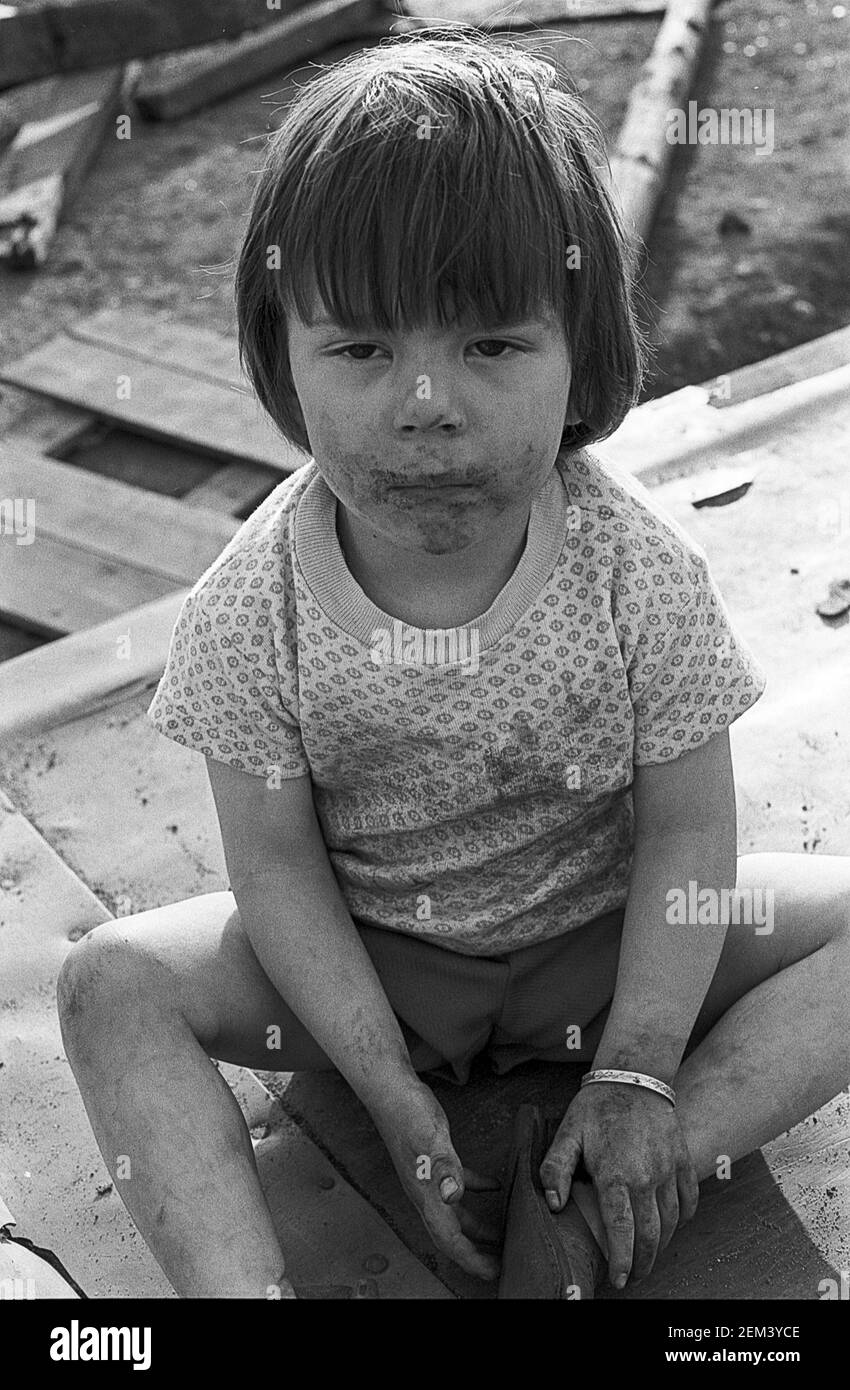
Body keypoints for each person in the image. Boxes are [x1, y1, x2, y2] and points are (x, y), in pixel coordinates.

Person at [57, 27, 850, 1300]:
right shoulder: (249, 609)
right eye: (363, 350)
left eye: (491, 345)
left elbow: (691, 831)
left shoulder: (636, 570)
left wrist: (642, 1065)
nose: (427, 402)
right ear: (284, 360)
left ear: (581, 354)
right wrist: (378, 1079)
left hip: (602, 950)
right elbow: (272, 866)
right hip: (370, 973)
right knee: (110, 982)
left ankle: (628, 1173)